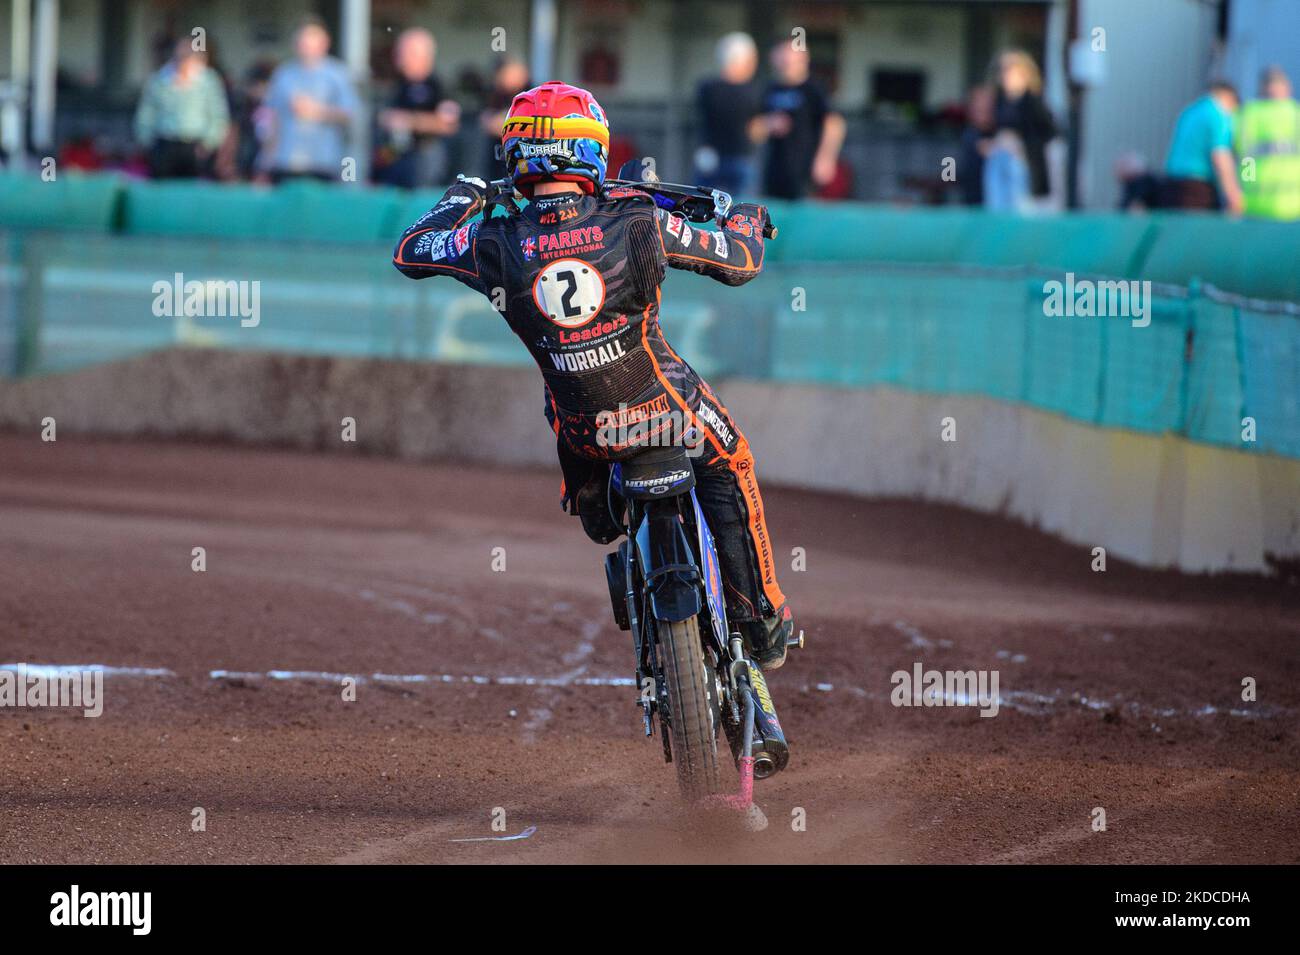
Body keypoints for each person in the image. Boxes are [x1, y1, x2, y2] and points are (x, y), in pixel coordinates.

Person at [392, 81, 795, 670]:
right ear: (592, 151)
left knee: (567, 418)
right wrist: (748, 221)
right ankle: (763, 619)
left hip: (585, 431)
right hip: (668, 412)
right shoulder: (637, 221)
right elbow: (742, 265)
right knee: (732, 461)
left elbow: (410, 251)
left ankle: (590, 498)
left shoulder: (492, 242)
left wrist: (464, 195)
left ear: (514, 154)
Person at [259, 18, 360, 184]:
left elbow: (349, 114)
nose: (306, 47)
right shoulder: (284, 74)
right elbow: (271, 119)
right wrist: (265, 162)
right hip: (285, 162)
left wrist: (317, 111)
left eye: (312, 42)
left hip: (324, 163)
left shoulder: (337, 74)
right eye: (302, 42)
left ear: (325, 43)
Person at [757, 40, 845, 200]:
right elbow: (754, 129)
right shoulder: (771, 89)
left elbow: (834, 124)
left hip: (805, 169)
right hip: (775, 169)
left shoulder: (814, 89)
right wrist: (769, 124)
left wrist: (825, 158)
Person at [133, 39, 230, 179]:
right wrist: (147, 142)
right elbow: (146, 114)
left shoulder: (208, 80)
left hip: (195, 145)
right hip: (164, 144)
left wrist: (208, 144)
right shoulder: (158, 80)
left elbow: (218, 116)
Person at [377, 27, 462, 189]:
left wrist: (411, 121)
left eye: (406, 53)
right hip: (396, 156)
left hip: (427, 160)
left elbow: (449, 124)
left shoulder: (438, 85)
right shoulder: (398, 84)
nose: (400, 58)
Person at [694, 33, 764, 196]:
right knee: (741, 210)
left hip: (710, 158)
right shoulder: (753, 91)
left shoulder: (707, 88)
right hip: (739, 159)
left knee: (703, 203)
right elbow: (756, 131)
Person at [989, 50, 1057, 210]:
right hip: (1001, 159)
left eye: (1010, 71)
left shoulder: (1032, 102)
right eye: (1002, 71)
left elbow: (1051, 133)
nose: (1005, 76)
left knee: (1020, 206)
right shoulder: (1001, 102)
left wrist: (1021, 145)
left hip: (1024, 164)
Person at [1162, 81, 1243, 213]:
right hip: (1197, 189)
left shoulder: (1191, 111)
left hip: (1173, 184)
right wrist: (1233, 195)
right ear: (1229, 97)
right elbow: (1220, 155)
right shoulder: (1217, 115)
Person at [1236, 66, 1300, 221]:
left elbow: (1246, 156)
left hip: (1256, 203)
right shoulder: (1295, 113)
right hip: (1293, 206)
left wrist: (1247, 188)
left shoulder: (1249, 113)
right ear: (1287, 88)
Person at [479, 58, 530, 173]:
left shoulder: (531, 93)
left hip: (523, 155)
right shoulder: (495, 94)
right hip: (497, 155)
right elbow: (488, 123)